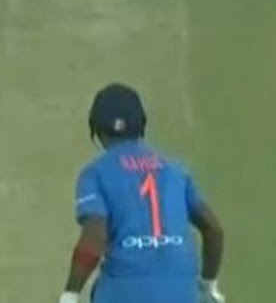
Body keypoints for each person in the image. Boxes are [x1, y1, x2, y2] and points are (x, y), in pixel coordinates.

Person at [58, 84, 226, 303]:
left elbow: (95, 237)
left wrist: (70, 294)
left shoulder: (95, 174)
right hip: (181, 293)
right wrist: (208, 285)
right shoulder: (177, 171)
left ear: (95, 129)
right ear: (141, 125)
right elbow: (213, 229)